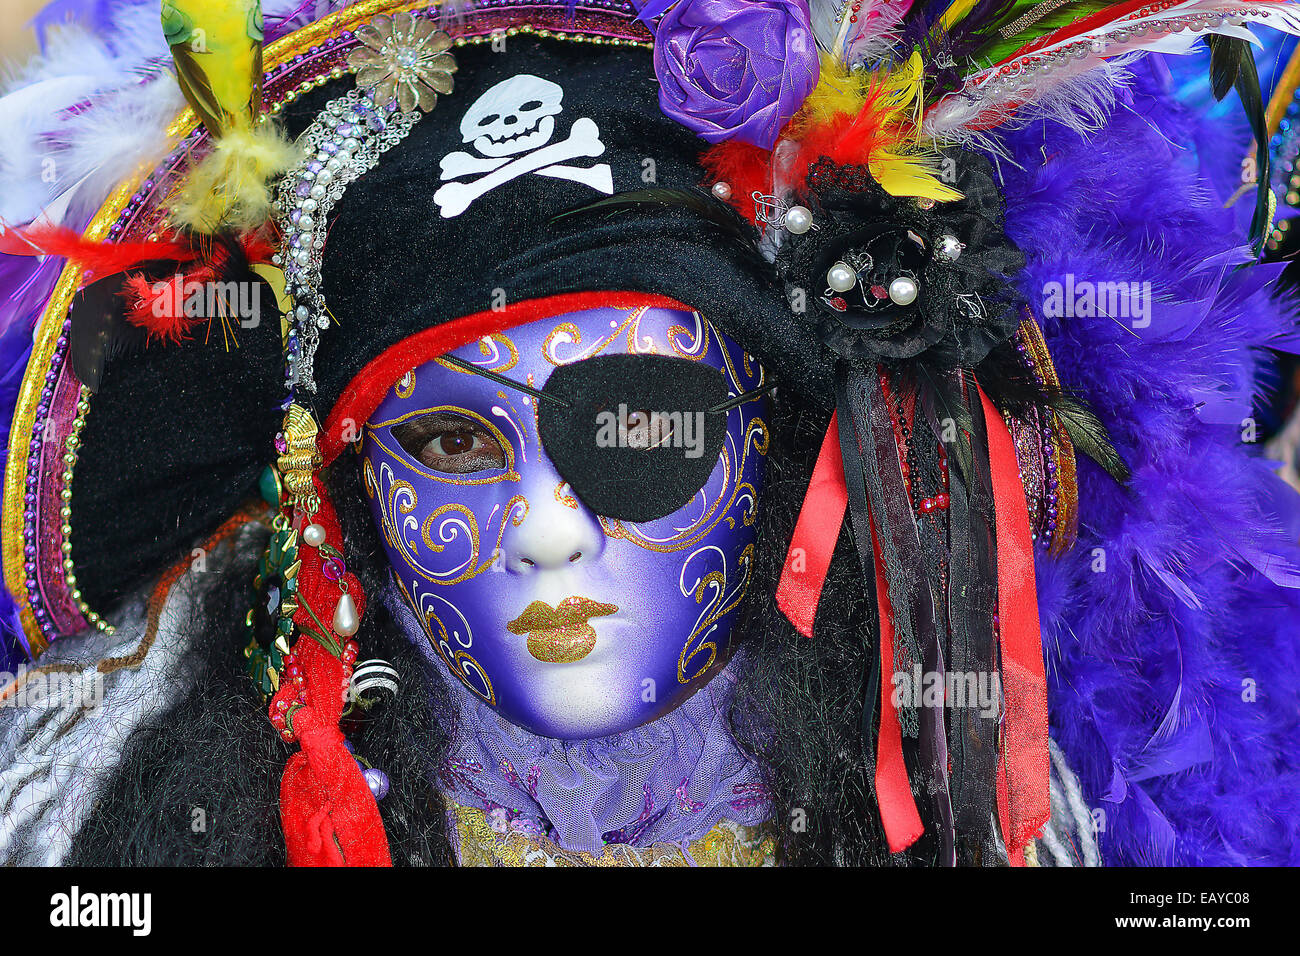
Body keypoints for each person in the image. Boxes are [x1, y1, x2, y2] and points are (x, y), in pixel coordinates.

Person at [0, 0, 1297, 867]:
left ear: (780, 449)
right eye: (453, 443)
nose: (552, 531)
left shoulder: (1033, 806)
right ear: (336, 491)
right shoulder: (99, 815)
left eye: (638, 427)